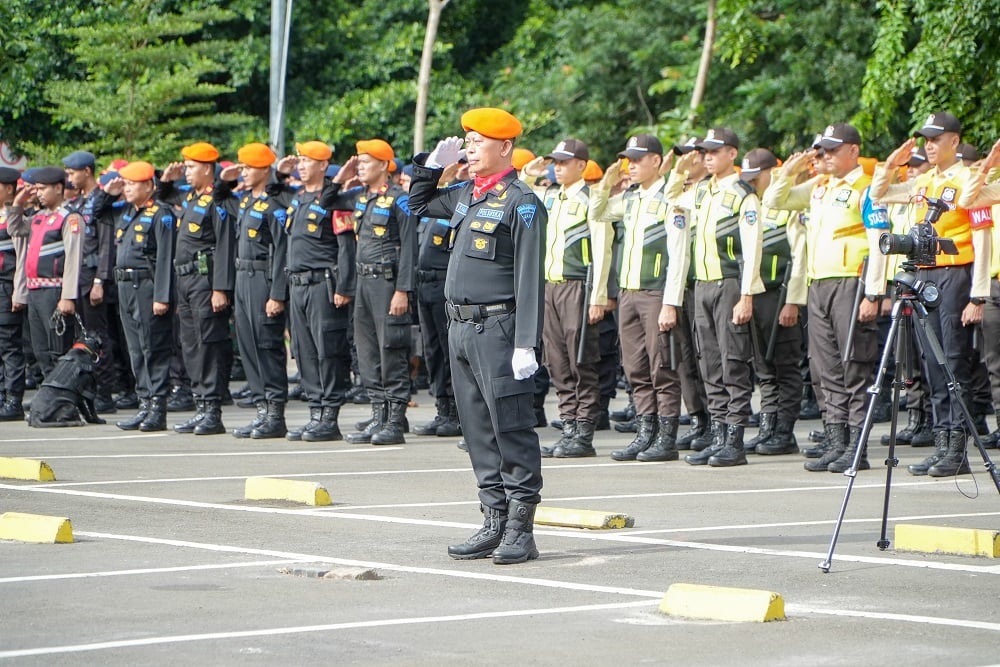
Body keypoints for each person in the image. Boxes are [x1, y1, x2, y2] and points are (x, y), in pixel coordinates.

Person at [408, 107, 546, 565]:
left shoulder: (522, 202)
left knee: (511, 426)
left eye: (477, 142)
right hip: (461, 327)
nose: (469, 149)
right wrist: (429, 168)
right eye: (466, 142)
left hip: (500, 329)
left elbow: (529, 278)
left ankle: (520, 530)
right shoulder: (466, 194)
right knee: (477, 429)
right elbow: (417, 206)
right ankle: (493, 520)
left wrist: (527, 341)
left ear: (504, 147)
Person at [871, 112, 997, 476]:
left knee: (953, 360)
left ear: (954, 142)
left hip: (955, 274)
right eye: (925, 139)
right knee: (930, 363)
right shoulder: (924, 180)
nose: (928, 145)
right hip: (924, 276)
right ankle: (941, 442)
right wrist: (889, 166)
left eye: (935, 139)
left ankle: (958, 448)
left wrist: (978, 295)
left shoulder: (968, 179)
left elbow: (982, 236)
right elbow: (880, 194)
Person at [765, 123, 889, 472]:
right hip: (818, 285)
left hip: (851, 283)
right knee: (824, 368)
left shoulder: (867, 188)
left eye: (833, 150)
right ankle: (836, 442)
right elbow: (775, 201)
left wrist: (875, 292)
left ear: (853, 151)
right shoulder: (819, 187)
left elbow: (881, 243)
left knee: (854, 365)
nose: (825, 157)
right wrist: (787, 173)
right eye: (822, 151)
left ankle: (857, 446)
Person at [590, 134, 690, 463]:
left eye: (637, 159)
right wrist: (605, 184)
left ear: (657, 161)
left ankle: (666, 436)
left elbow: (678, 254)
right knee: (635, 368)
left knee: (662, 367)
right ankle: (644, 432)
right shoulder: (631, 197)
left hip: (656, 292)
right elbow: (599, 213)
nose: (629, 165)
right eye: (627, 159)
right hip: (630, 294)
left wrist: (671, 302)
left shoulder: (671, 197)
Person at [668, 128, 763, 466]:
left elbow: (752, 249)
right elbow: (671, 199)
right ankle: (718, 433)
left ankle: (734, 437)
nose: (706, 156)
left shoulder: (742, 194)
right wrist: (680, 169)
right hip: (703, 285)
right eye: (703, 151)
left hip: (730, 284)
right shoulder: (701, 191)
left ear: (732, 154)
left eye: (714, 151)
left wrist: (748, 293)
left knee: (732, 360)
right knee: (709, 360)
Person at [521, 138, 613, 458]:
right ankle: (569, 426)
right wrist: (528, 174)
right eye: (555, 162)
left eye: (564, 162)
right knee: (557, 361)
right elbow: (519, 196)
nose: (557, 168)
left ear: (581, 166)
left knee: (580, 359)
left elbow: (602, 250)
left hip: (577, 286)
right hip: (549, 286)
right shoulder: (548, 196)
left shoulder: (592, 199)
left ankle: (584, 431)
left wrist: (599, 295)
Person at [325, 140, 416, 446]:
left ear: (383, 165)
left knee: (391, 349)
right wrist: (342, 175)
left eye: (365, 162)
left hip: (387, 284)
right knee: (367, 352)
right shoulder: (361, 197)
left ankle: (394, 420)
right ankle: (378, 415)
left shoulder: (399, 200)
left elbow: (409, 249)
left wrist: (403, 290)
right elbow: (327, 201)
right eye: (358, 162)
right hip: (363, 284)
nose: (360, 166)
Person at [279, 140, 356, 442]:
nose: (300, 164)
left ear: (323, 165)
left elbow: (346, 248)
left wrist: (345, 286)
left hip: (323, 284)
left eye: (307, 160)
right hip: (297, 283)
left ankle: (330, 415)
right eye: (299, 160)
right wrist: (280, 173)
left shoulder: (335, 201)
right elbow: (270, 191)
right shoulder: (297, 198)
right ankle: (315, 412)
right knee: (305, 352)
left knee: (328, 351)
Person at [158, 143, 238, 435]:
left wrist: (221, 288)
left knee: (208, 346)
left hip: (206, 282)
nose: (186, 172)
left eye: (191, 167)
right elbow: (163, 195)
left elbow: (226, 245)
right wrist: (167, 179)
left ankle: (213, 411)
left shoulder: (218, 201)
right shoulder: (192, 198)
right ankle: (201, 405)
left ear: (207, 168)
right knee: (190, 346)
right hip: (186, 281)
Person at [739, 148, 806, 455]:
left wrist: (793, 301)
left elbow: (798, 255)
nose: (754, 183)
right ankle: (767, 427)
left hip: (781, 295)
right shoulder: (751, 204)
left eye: (758, 177)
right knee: (764, 367)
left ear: (772, 173)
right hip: (758, 293)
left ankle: (784, 431)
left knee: (785, 366)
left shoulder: (789, 203)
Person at [222, 143, 292, 439]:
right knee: (249, 345)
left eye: (249, 168)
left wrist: (277, 294)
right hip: (243, 279)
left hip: (263, 279)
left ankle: (275, 414)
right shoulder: (247, 201)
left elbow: (281, 250)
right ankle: (262, 409)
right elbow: (219, 195)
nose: (244, 173)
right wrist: (227, 176)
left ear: (265, 170)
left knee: (267, 346)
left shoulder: (274, 206)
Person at [103, 162, 176, 431]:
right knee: (135, 349)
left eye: (132, 184)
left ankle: (157, 408)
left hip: (147, 288)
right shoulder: (125, 212)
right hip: (125, 288)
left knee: (152, 348)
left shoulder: (161, 214)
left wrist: (162, 296)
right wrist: (109, 193)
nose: (127, 189)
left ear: (148, 186)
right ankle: (144, 404)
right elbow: (98, 213)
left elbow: (166, 257)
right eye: (126, 184)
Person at [7, 166, 84, 378]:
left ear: (58, 188)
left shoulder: (69, 218)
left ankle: (64, 401)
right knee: (40, 349)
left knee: (58, 348)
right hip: (35, 291)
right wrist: (17, 204)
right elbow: (15, 229)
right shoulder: (38, 217)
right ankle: (50, 395)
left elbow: (73, 258)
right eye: (37, 189)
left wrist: (68, 296)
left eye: (43, 189)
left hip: (54, 291)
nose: (38, 193)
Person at [62, 150, 117, 413]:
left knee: (99, 337)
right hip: (79, 277)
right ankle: (90, 387)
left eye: (73, 172)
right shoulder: (80, 202)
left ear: (86, 171)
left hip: (93, 278)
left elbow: (105, 245)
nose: (69, 177)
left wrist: (100, 280)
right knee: (84, 337)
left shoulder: (100, 202)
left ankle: (105, 392)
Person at [0, 167, 28, 420]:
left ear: (9, 189)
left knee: (10, 345)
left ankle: (13, 400)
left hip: (7, 287)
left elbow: (21, 259)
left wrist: (19, 292)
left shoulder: (15, 218)